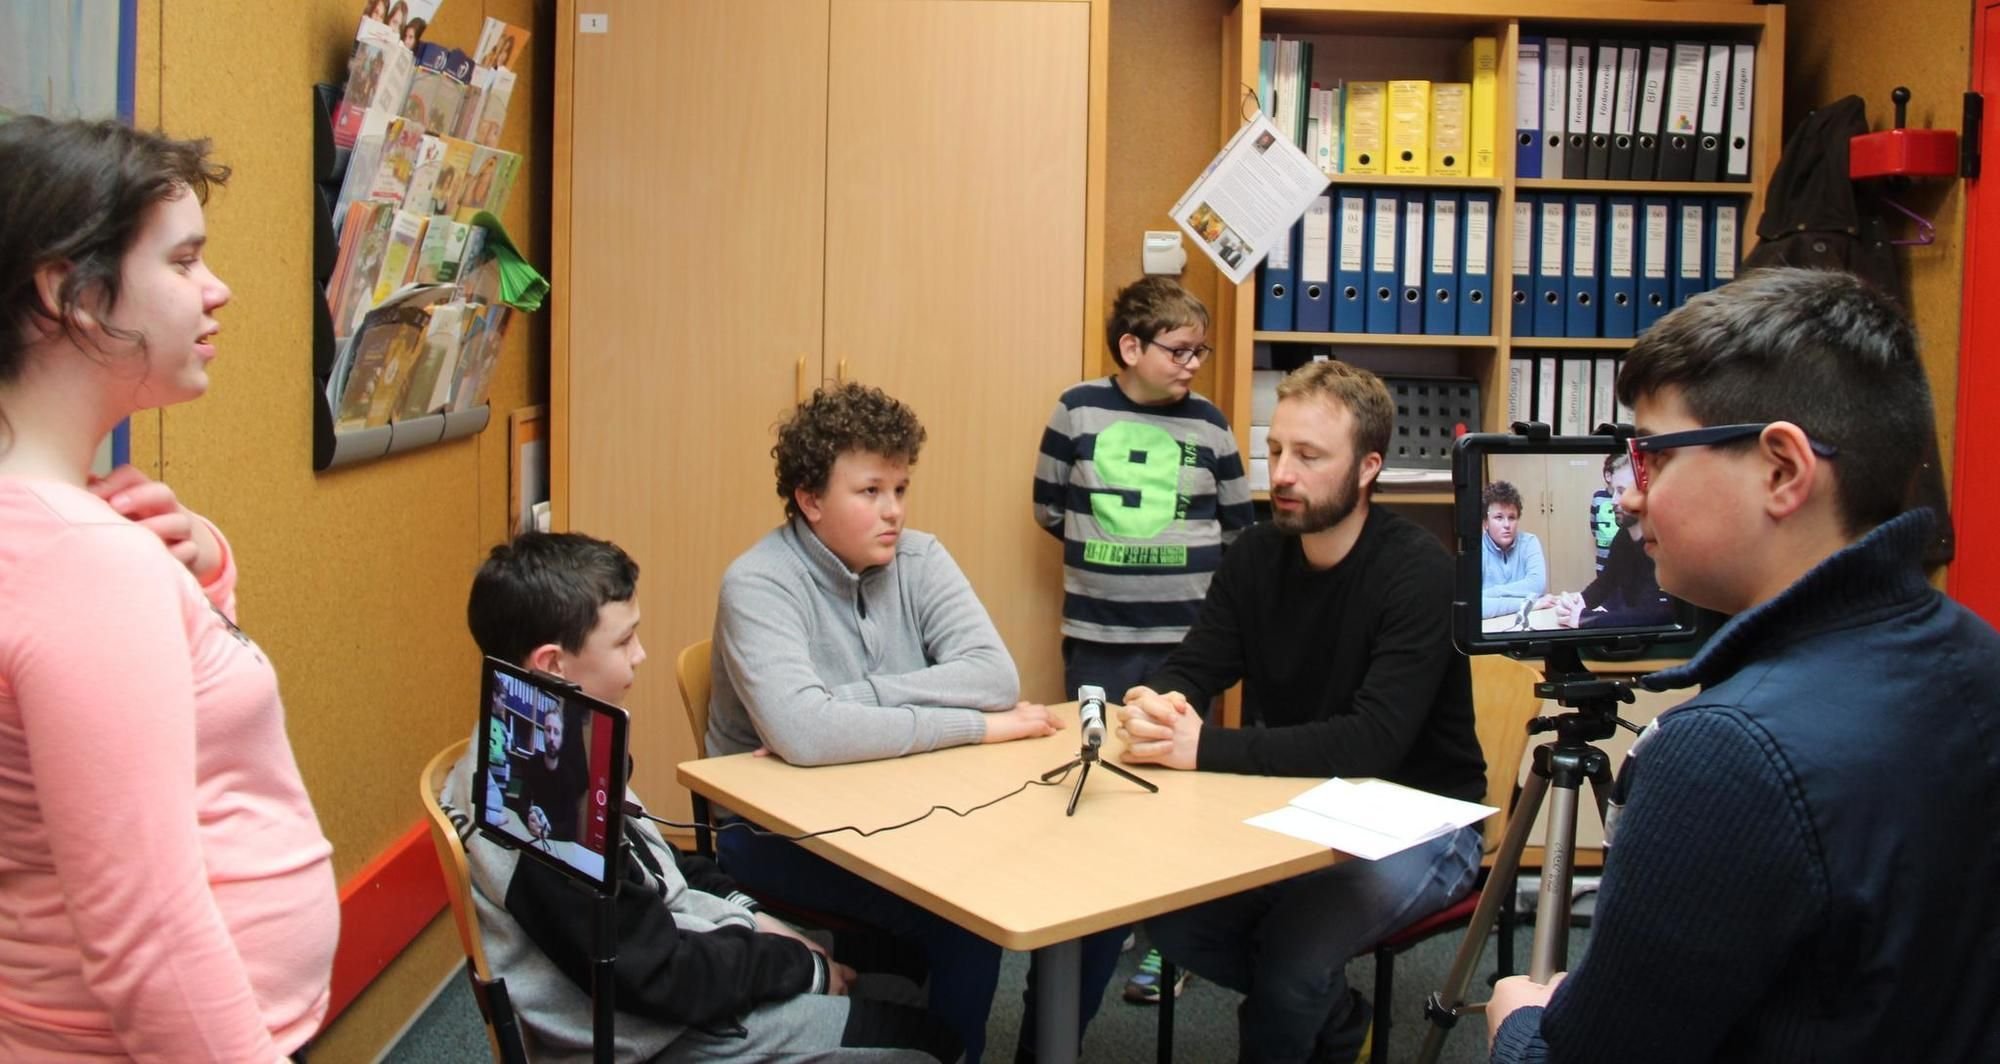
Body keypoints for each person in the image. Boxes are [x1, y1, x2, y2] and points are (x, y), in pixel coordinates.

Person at [1486, 268, 2000, 1063]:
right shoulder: (1976, 651)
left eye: (1653, 457)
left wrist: (1517, 1025)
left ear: (1782, 470)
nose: (1630, 498)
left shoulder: (1725, 753)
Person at [0, 117, 338, 1059]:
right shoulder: (84, 563)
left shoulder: (61, 529)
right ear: (72, 295)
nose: (216, 289)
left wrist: (200, 578)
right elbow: (148, 938)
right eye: (184, 261)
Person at [439, 532, 960, 1063]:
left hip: (678, 953)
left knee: (900, 959)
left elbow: (655, 865)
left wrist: (753, 916)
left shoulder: (533, 732)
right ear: (552, 664)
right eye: (623, 642)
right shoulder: (541, 816)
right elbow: (660, 976)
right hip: (659, 1030)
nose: (641, 655)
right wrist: (804, 967)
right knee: (930, 1043)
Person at [1116, 360, 1486, 1064]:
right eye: (1276, 449)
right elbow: (1197, 663)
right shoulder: (1257, 554)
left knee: (1292, 956)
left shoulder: (1420, 572)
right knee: (1173, 922)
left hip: (1424, 817)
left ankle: (1306, 1008)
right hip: (1304, 805)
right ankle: (1339, 1022)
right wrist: (1159, 701)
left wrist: (1203, 748)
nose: (1281, 474)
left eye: (1309, 456)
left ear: (1369, 467)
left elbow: (1371, 744)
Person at [708, 382, 1066, 1063]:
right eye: (870, 492)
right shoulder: (758, 583)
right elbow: (808, 735)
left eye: (900, 489)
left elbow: (995, 679)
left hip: (903, 807)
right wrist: (974, 727)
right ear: (811, 500)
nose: (894, 511)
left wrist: (843, 700)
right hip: (778, 834)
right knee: (968, 916)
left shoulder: (921, 559)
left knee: (1047, 880)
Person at [1032, 276, 1254, 1008]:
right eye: (1179, 350)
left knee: (1178, 791)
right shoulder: (1077, 409)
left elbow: (1239, 527)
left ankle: (1173, 941)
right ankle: (1104, 912)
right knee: (1098, 774)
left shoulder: (1212, 424)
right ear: (1131, 347)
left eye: (1200, 351)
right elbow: (1049, 507)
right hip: (1097, 636)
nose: (1193, 364)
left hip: (1186, 645)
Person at [1534, 453, 1671, 630]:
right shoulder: (1623, 536)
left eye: (1622, 491)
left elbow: (1654, 614)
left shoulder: (1661, 544)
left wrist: (1584, 618)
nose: (1613, 501)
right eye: (1613, 491)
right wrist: (1579, 602)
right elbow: (1606, 582)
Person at [514, 702, 587, 843]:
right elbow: (522, 802)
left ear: (562, 738)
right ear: (543, 732)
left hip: (554, 842)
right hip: (532, 836)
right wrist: (529, 818)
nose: (552, 737)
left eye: (556, 732)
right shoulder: (533, 763)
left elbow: (571, 828)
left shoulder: (569, 776)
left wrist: (549, 830)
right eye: (548, 730)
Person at [1479, 479, 1546, 618]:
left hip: (1528, 621)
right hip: (1492, 626)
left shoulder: (1529, 542)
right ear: (1485, 522)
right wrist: (1526, 603)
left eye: (1512, 517)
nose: (1507, 525)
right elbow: (1477, 606)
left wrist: (1491, 593)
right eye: (1499, 517)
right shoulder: (1476, 550)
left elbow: (1537, 585)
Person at [1588, 454, 1618, 573]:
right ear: (1608, 476)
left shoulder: (1626, 498)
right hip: (1602, 561)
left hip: (1624, 558)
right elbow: (1593, 524)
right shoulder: (1598, 496)